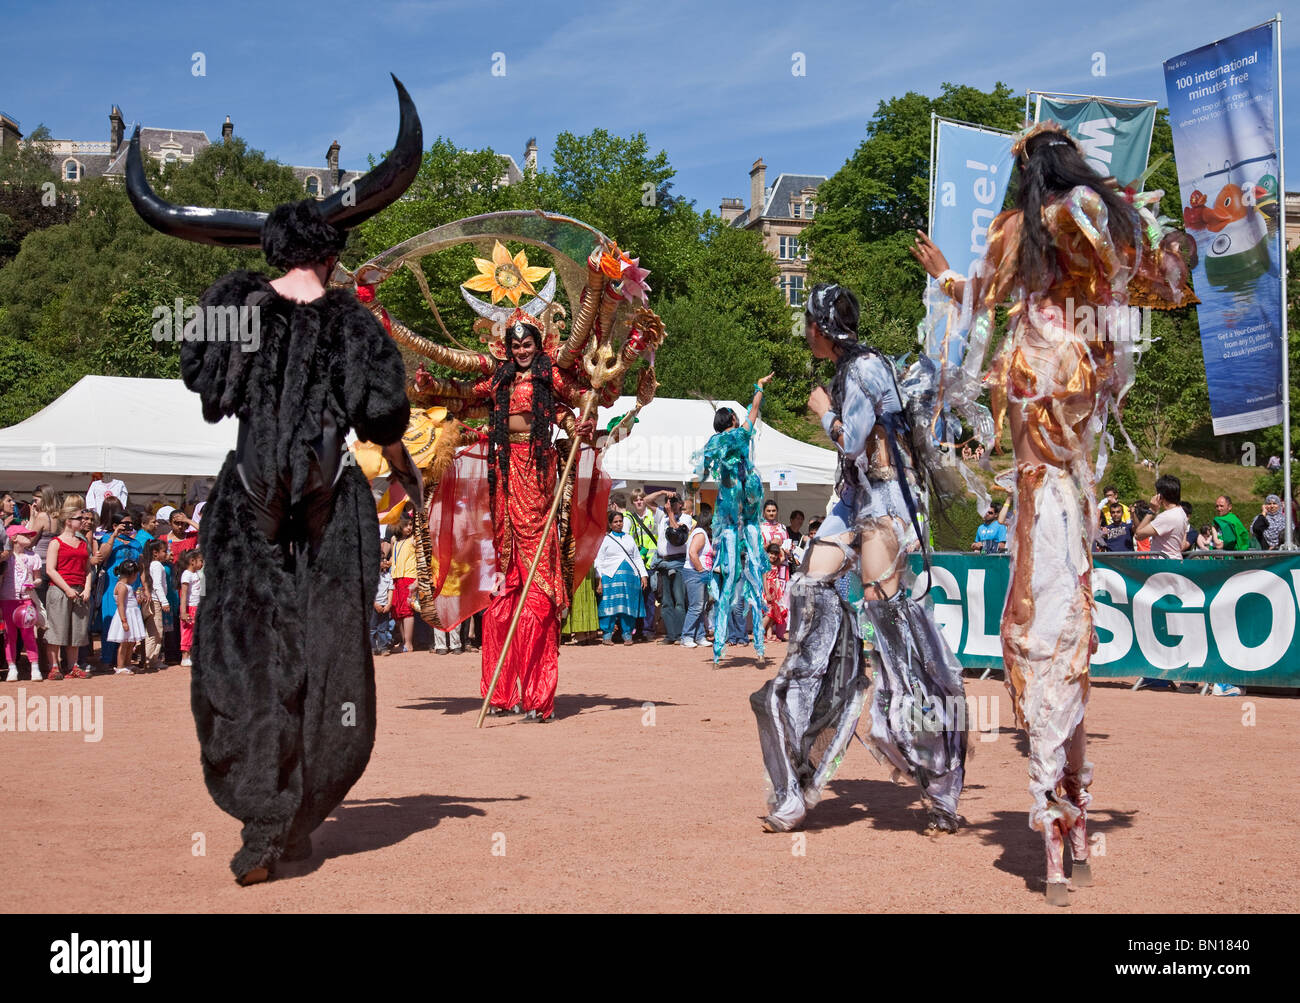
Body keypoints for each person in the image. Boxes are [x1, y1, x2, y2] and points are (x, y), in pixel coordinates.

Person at [126, 76, 424, 882]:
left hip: (250, 510)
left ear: (271, 255)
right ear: (330, 252)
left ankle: (268, 819)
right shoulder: (355, 323)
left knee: (246, 655)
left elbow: (202, 377)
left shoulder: (238, 309)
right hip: (331, 516)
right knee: (334, 667)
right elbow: (387, 415)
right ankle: (290, 815)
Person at [911, 120, 1194, 901]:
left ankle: (1057, 818)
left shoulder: (1028, 233)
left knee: (1041, 629)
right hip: (1062, 449)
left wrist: (948, 283)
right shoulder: (1079, 236)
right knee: (1062, 628)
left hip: (1047, 446)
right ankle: (1070, 815)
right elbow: (1145, 285)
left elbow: (982, 299)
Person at [753, 283, 966, 837]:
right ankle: (802, 771)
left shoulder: (862, 368)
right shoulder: (857, 364)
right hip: (854, 501)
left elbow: (853, 444)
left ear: (820, 328)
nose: (805, 333)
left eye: (807, 324)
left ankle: (938, 777)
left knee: (894, 628)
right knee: (810, 597)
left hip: (886, 502)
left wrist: (824, 412)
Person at [690, 379, 773, 664]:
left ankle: (718, 652)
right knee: (753, 580)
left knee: (729, 582)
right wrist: (759, 388)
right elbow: (754, 413)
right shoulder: (740, 435)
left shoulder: (714, 443)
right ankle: (760, 650)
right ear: (732, 419)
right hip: (747, 515)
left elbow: (699, 473)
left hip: (727, 518)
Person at [44, 509, 94, 680]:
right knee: (57, 629)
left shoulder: (82, 542)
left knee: (77, 630)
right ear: (68, 521)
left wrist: (87, 588)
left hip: (79, 590)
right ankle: (54, 666)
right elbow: (50, 569)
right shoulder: (55, 542)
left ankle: (74, 666)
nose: (83, 521)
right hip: (59, 590)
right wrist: (67, 589)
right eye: (79, 518)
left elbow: (88, 569)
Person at [594, 511, 648, 646]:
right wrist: (599, 579)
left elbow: (636, 557)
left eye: (620, 521)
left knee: (628, 607)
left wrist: (643, 575)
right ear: (610, 524)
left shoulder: (629, 539)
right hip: (610, 578)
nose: (618, 524)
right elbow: (599, 561)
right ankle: (607, 635)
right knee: (608, 607)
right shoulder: (605, 539)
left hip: (630, 580)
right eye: (615, 522)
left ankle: (627, 634)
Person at [2, 525, 43, 681]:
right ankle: (12, 667)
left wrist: (34, 583)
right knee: (9, 635)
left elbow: (38, 577)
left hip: (26, 599)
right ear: (13, 538)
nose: (29, 537)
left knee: (28, 634)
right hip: (7, 599)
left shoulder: (33, 556)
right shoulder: (7, 557)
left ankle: (35, 667)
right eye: (24, 535)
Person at [654, 492, 694, 644]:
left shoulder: (686, 518)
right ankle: (670, 635)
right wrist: (663, 493)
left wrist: (671, 513)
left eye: (675, 502)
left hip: (678, 563)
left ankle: (679, 634)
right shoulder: (661, 517)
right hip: (663, 563)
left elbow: (677, 536)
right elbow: (646, 500)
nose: (672, 504)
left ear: (681, 504)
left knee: (679, 601)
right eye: (669, 502)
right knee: (666, 601)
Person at [622, 488, 660, 642]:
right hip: (636, 565)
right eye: (635, 499)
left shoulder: (653, 516)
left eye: (641, 498)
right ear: (632, 502)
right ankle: (636, 629)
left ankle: (648, 629)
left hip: (651, 564)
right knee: (636, 598)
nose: (638, 501)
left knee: (650, 599)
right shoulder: (629, 518)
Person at [682, 512, 714, 648]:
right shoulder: (700, 533)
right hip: (695, 573)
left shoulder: (703, 534)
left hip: (701, 573)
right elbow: (692, 553)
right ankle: (687, 636)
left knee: (701, 607)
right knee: (696, 606)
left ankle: (700, 635)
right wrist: (701, 570)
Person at [107, 560, 145, 675]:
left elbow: (133, 601)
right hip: (126, 616)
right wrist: (124, 621)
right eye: (135, 575)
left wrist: (139, 597)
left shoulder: (128, 586)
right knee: (124, 643)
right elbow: (121, 604)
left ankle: (128, 664)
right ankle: (120, 666)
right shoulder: (122, 587)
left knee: (130, 642)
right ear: (131, 575)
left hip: (133, 615)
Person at [142, 539, 170, 671]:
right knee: (156, 632)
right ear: (155, 553)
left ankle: (150, 658)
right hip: (156, 601)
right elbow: (157, 585)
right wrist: (164, 601)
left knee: (153, 631)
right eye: (164, 551)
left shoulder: (152, 565)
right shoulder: (157, 565)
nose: (167, 553)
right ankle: (151, 659)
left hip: (153, 600)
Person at [178, 549, 204, 667]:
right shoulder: (186, 574)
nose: (202, 564)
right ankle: (185, 657)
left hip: (197, 606)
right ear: (192, 561)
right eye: (200, 561)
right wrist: (183, 612)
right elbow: (184, 594)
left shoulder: (197, 574)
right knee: (187, 631)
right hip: (190, 607)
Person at [760, 540, 789, 642]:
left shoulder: (775, 563)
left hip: (775, 590)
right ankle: (759, 634)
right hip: (768, 589)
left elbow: (783, 557)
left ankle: (769, 634)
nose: (773, 556)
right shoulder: (765, 564)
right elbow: (764, 580)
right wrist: (767, 593)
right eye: (771, 553)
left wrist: (779, 546)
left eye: (775, 554)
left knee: (774, 613)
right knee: (769, 613)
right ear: (767, 553)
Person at [372, 539, 395, 657]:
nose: (385, 561)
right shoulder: (371, 577)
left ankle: (383, 647)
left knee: (383, 628)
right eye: (381, 560)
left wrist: (389, 604)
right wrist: (374, 604)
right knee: (372, 628)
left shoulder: (387, 576)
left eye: (385, 558)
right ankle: (372, 648)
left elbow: (390, 590)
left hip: (385, 606)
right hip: (374, 606)